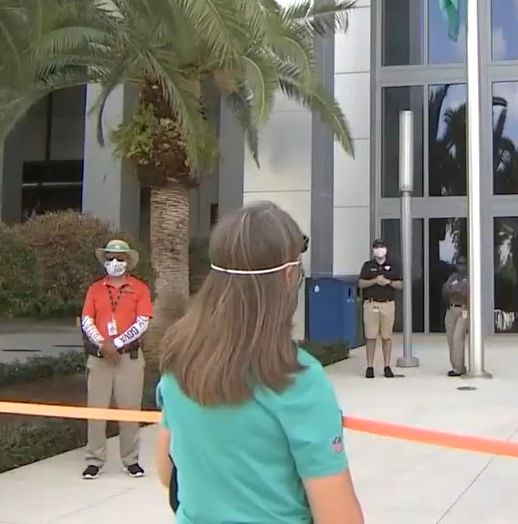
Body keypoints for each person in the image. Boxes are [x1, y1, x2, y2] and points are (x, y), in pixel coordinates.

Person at [155, 202, 365, 524]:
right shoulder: (297, 379)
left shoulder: (179, 359)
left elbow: (165, 470)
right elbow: (340, 517)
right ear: (288, 275)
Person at [80, 239, 153, 479]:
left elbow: (142, 321)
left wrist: (117, 344)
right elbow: (87, 320)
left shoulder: (140, 289)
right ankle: (94, 460)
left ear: (128, 263)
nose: (114, 263)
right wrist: (103, 344)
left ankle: (131, 460)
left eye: (120, 259)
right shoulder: (95, 290)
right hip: (100, 359)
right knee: (96, 411)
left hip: (128, 359)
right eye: (110, 258)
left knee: (130, 411)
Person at [358, 237, 402, 379]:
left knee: (386, 337)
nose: (379, 249)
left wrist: (388, 282)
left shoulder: (393, 265)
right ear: (373, 250)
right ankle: (370, 367)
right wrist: (375, 281)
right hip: (371, 304)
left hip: (388, 304)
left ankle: (387, 366)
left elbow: (400, 285)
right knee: (370, 337)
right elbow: (361, 283)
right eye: (377, 247)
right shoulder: (367, 265)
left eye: (382, 247)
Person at [442, 256, 470, 376]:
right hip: (451, 308)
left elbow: (465, 291)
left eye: (463, 263)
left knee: (457, 337)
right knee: (450, 339)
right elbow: (445, 290)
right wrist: (455, 289)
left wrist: (454, 288)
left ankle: (459, 368)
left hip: (464, 309)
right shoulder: (453, 277)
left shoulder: (470, 277)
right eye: (459, 263)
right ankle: (456, 366)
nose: (461, 266)